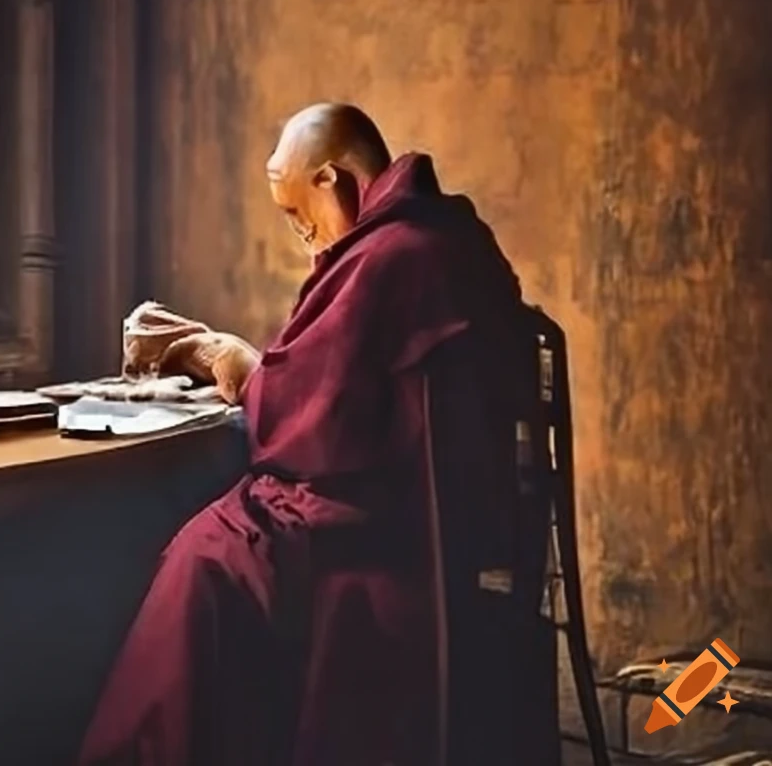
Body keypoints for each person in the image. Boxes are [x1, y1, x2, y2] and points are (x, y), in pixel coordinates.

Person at [78, 103, 526, 766]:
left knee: (204, 559)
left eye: (298, 213)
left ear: (332, 180)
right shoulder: (453, 236)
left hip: (388, 519)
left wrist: (223, 359)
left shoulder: (392, 255)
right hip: (444, 504)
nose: (302, 235)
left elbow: (308, 420)